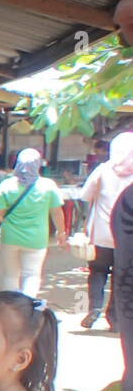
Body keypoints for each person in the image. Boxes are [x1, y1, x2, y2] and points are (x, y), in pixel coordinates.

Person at [0, 149, 64, 299]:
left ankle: (10, 309)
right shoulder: (48, 186)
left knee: (10, 275)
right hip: (36, 240)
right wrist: (61, 233)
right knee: (32, 275)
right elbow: (57, 212)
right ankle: (27, 308)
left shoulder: (6, 185)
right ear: (38, 164)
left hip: (10, 239)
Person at [78, 132, 133, 329]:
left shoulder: (103, 170)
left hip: (101, 233)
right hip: (127, 237)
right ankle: (115, 319)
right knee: (122, 276)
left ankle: (94, 308)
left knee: (97, 271)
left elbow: (85, 195)